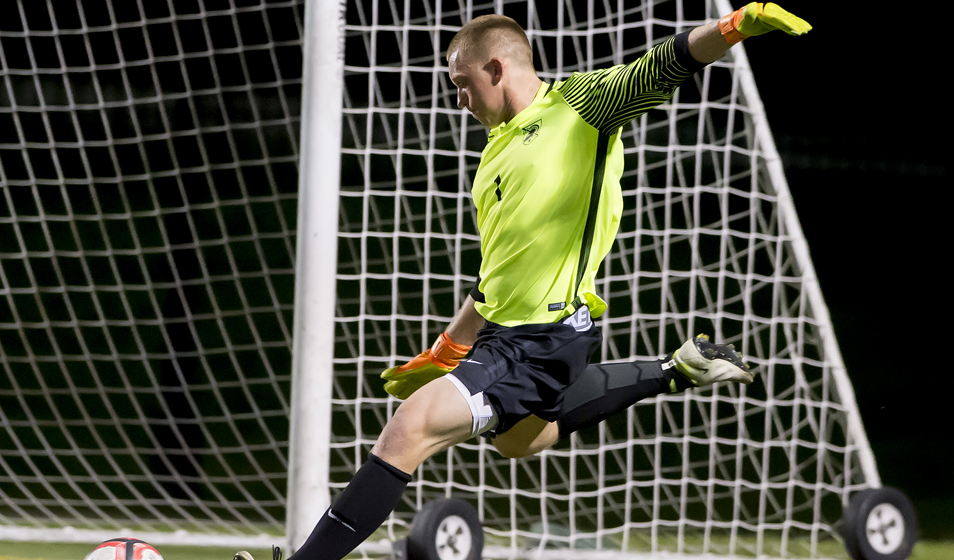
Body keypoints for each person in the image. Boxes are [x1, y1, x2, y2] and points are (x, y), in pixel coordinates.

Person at [289, 3, 810, 558]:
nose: (459, 100)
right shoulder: (494, 154)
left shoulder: (579, 107)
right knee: (520, 440)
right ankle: (675, 369)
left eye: (462, 84)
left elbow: (663, 64)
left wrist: (732, 27)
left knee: (408, 429)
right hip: (508, 336)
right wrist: (448, 347)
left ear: (496, 68)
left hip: (546, 336)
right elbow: (499, 274)